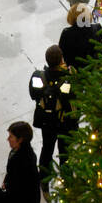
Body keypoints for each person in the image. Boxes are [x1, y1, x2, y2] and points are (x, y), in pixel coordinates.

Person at [30, 44, 77, 185]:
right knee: (65, 152)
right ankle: (67, 179)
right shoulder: (69, 77)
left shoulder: (38, 76)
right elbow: (74, 95)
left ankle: (44, 178)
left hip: (47, 121)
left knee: (47, 149)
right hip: (65, 121)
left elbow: (33, 95)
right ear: (62, 59)